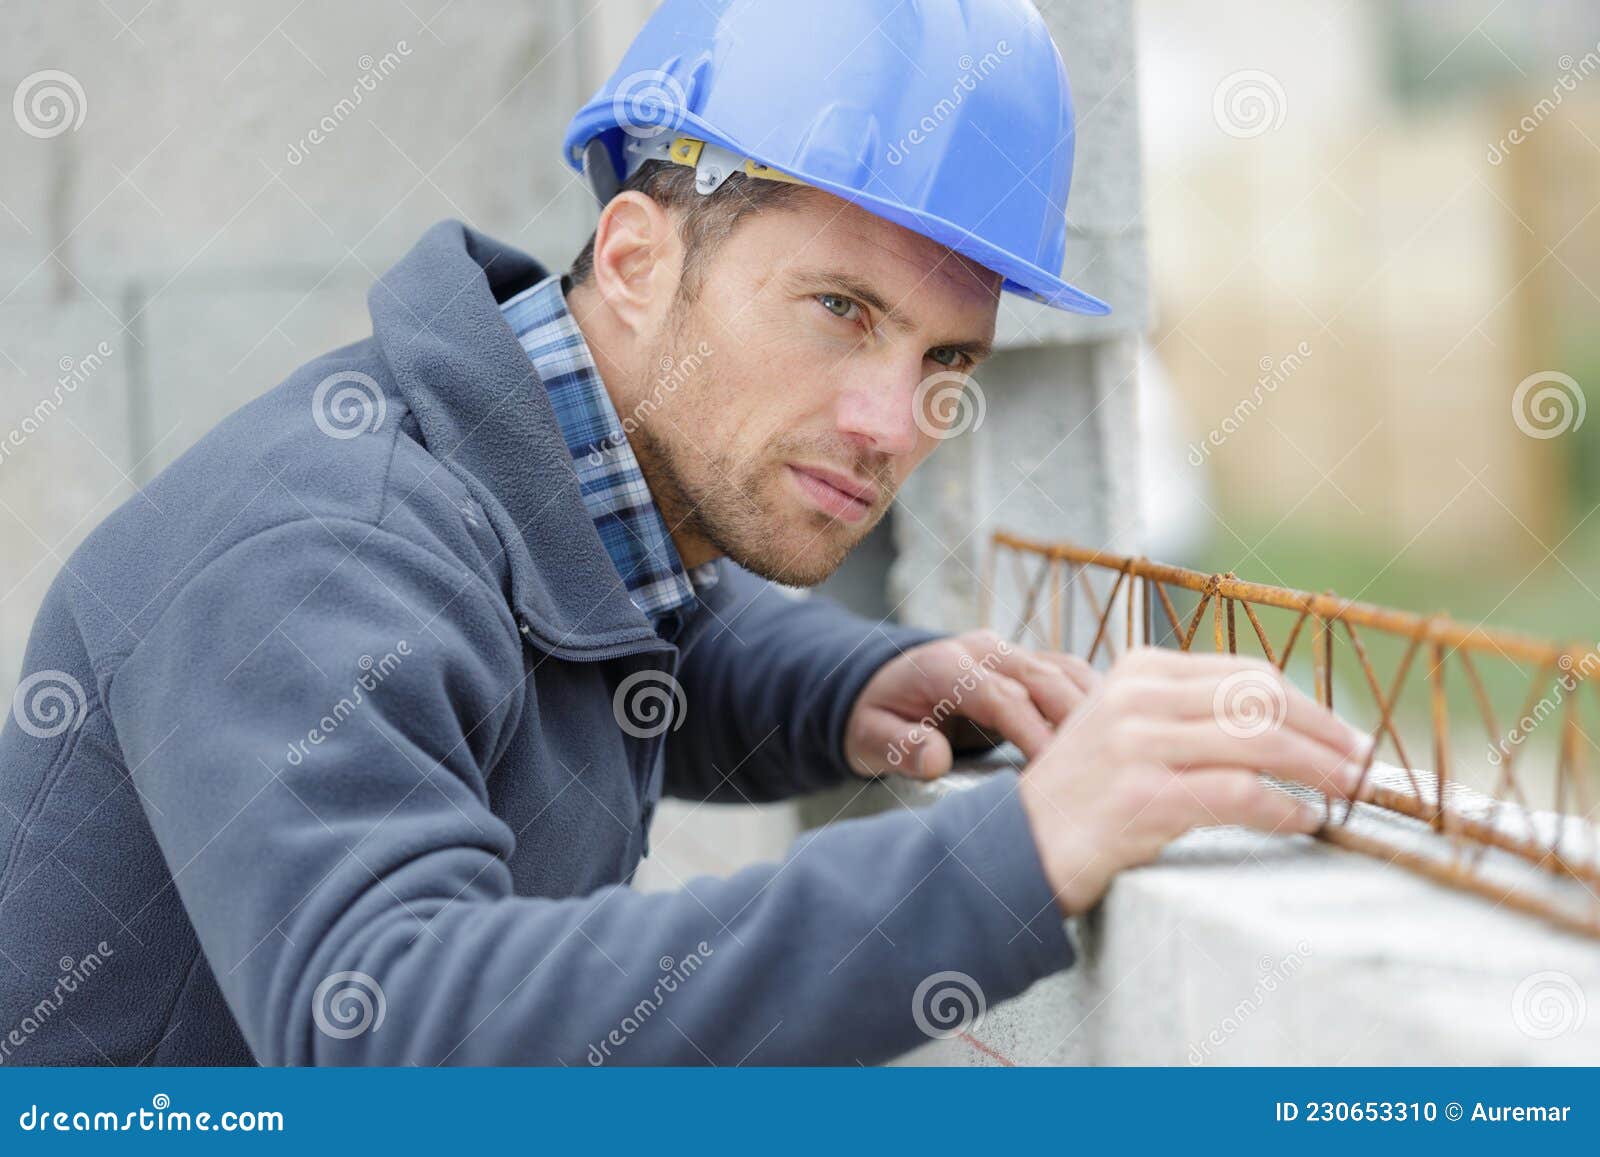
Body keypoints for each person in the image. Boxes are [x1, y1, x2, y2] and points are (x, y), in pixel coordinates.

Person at [0, 0, 1367, 1066]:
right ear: (638, 258)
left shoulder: (532, 486)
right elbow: (400, 1038)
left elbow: (603, 625)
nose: (894, 422)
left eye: (946, 356)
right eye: (840, 310)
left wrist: (853, 683)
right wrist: (1019, 852)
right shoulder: (319, 555)